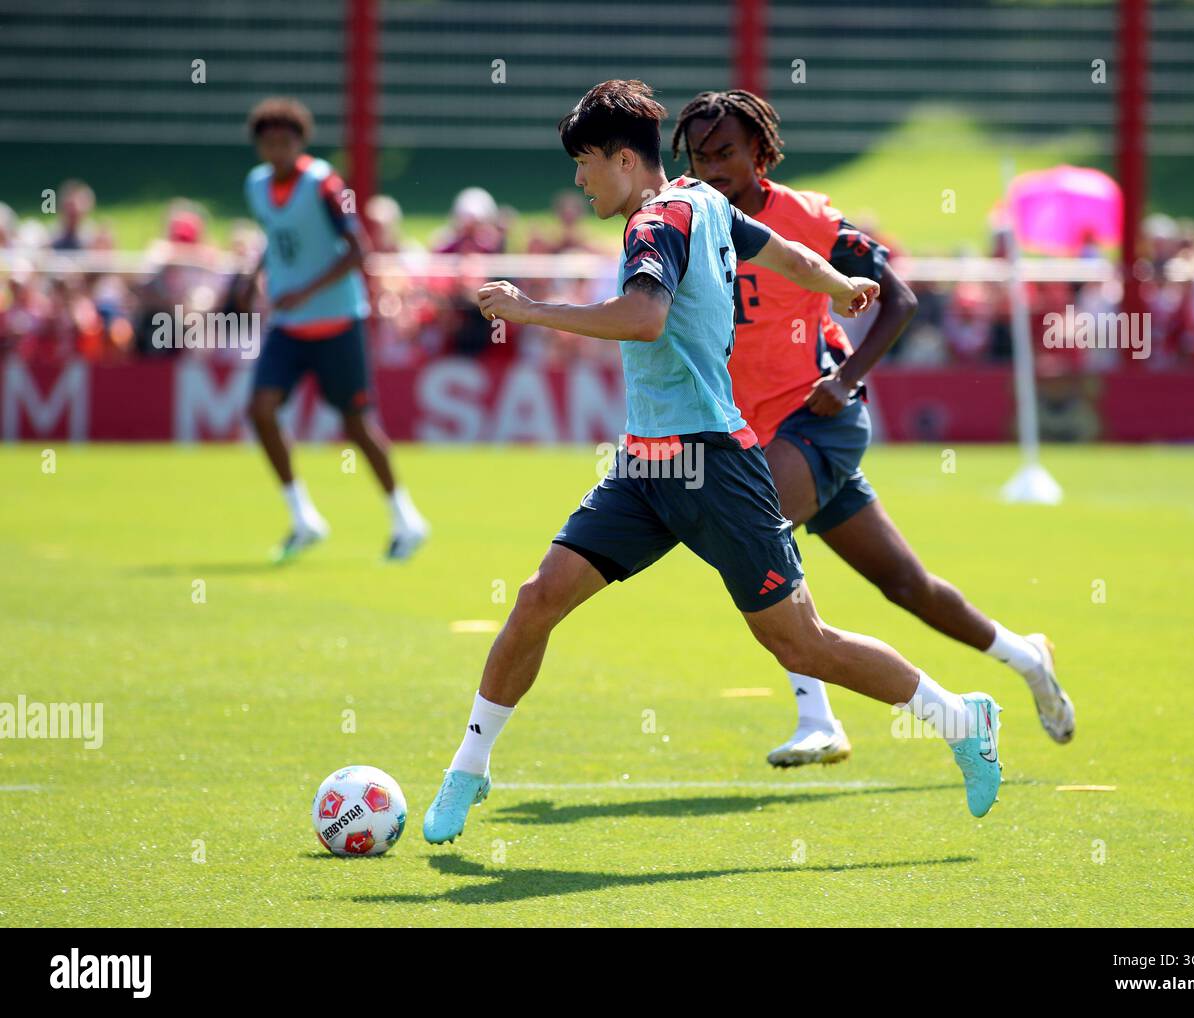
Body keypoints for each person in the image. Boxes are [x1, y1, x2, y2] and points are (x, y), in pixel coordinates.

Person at [423, 80, 1004, 845]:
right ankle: (468, 769)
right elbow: (788, 252)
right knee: (539, 597)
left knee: (802, 643)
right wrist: (841, 285)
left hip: (716, 464)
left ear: (625, 161)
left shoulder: (656, 222)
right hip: (646, 466)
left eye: (585, 164)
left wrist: (529, 309)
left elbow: (644, 315)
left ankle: (961, 719)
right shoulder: (701, 198)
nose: (579, 179)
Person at [671, 90, 1074, 766]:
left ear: (760, 154)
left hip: (817, 418)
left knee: (756, 527)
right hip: (756, 433)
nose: (712, 168)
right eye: (700, 155)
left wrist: (847, 378)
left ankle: (818, 718)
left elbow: (901, 297)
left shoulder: (806, 217)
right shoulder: (684, 213)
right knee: (909, 587)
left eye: (726, 154)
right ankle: (1027, 657)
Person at [238, 97, 428, 562]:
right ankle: (303, 517)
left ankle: (407, 518)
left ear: (300, 142)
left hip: (338, 321)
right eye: (269, 142)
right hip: (289, 325)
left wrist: (303, 289)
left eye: (286, 141)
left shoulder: (325, 183)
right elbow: (277, 237)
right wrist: (252, 275)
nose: (277, 150)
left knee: (357, 425)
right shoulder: (257, 185)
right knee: (261, 409)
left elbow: (356, 249)